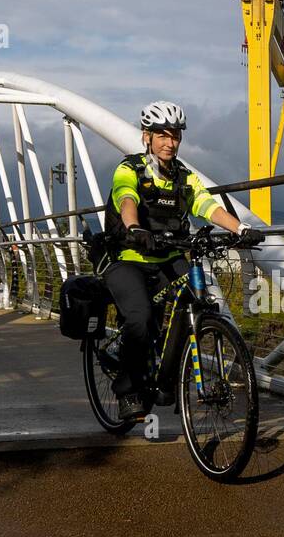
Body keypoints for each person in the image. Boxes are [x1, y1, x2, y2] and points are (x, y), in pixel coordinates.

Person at [103, 100, 263, 421]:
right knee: (140, 317)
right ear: (146, 136)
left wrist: (241, 227)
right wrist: (135, 228)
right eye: (161, 135)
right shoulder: (130, 168)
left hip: (171, 255)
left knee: (195, 303)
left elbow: (206, 204)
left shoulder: (183, 176)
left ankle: (167, 378)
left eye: (174, 135)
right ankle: (128, 388)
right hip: (129, 256)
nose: (169, 142)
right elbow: (126, 198)